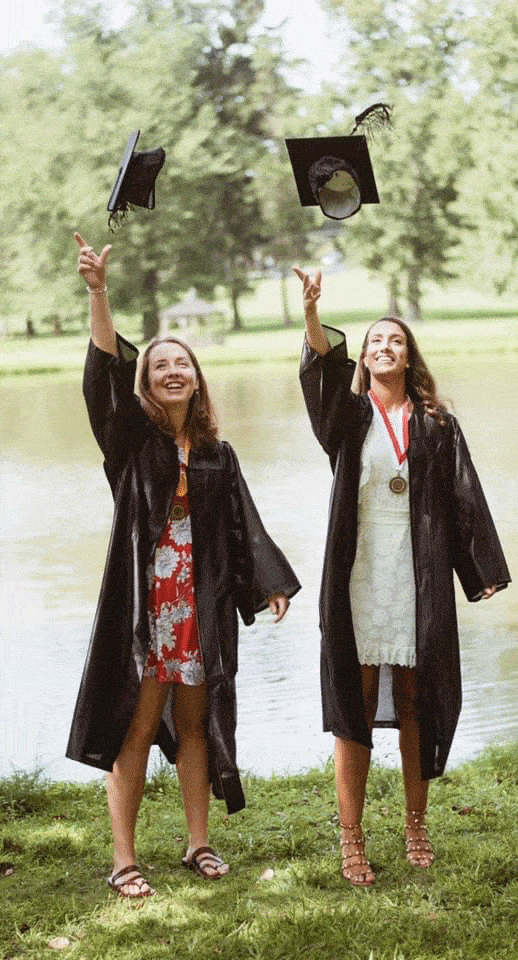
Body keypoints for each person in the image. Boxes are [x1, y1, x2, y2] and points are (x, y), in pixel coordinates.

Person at [67, 234, 301, 898]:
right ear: (145, 381)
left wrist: (269, 581)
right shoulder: (128, 441)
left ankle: (199, 844)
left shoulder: (217, 454)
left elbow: (242, 523)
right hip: (147, 608)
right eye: (160, 365)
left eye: (182, 364)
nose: (172, 371)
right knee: (138, 725)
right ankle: (124, 859)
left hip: (201, 603)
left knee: (198, 724)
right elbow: (104, 371)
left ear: (197, 378)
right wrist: (98, 292)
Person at [294, 266, 511, 886]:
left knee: (416, 698)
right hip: (360, 567)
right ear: (363, 358)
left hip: (418, 570)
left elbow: (463, 495)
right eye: (375, 342)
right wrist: (312, 313)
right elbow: (319, 370)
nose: (385, 347)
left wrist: (480, 568)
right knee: (355, 703)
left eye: (396, 340)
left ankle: (416, 824)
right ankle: (352, 837)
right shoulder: (347, 415)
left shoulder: (436, 423)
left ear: (409, 356)